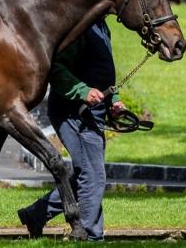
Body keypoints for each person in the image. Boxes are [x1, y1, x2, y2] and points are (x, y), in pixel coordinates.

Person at [17, 16, 125, 241]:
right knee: (93, 174)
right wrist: (82, 90)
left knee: (88, 173)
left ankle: (36, 214)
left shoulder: (101, 25)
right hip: (73, 111)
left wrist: (114, 99)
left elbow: (103, 69)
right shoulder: (78, 27)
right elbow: (55, 69)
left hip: (94, 112)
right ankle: (89, 235)